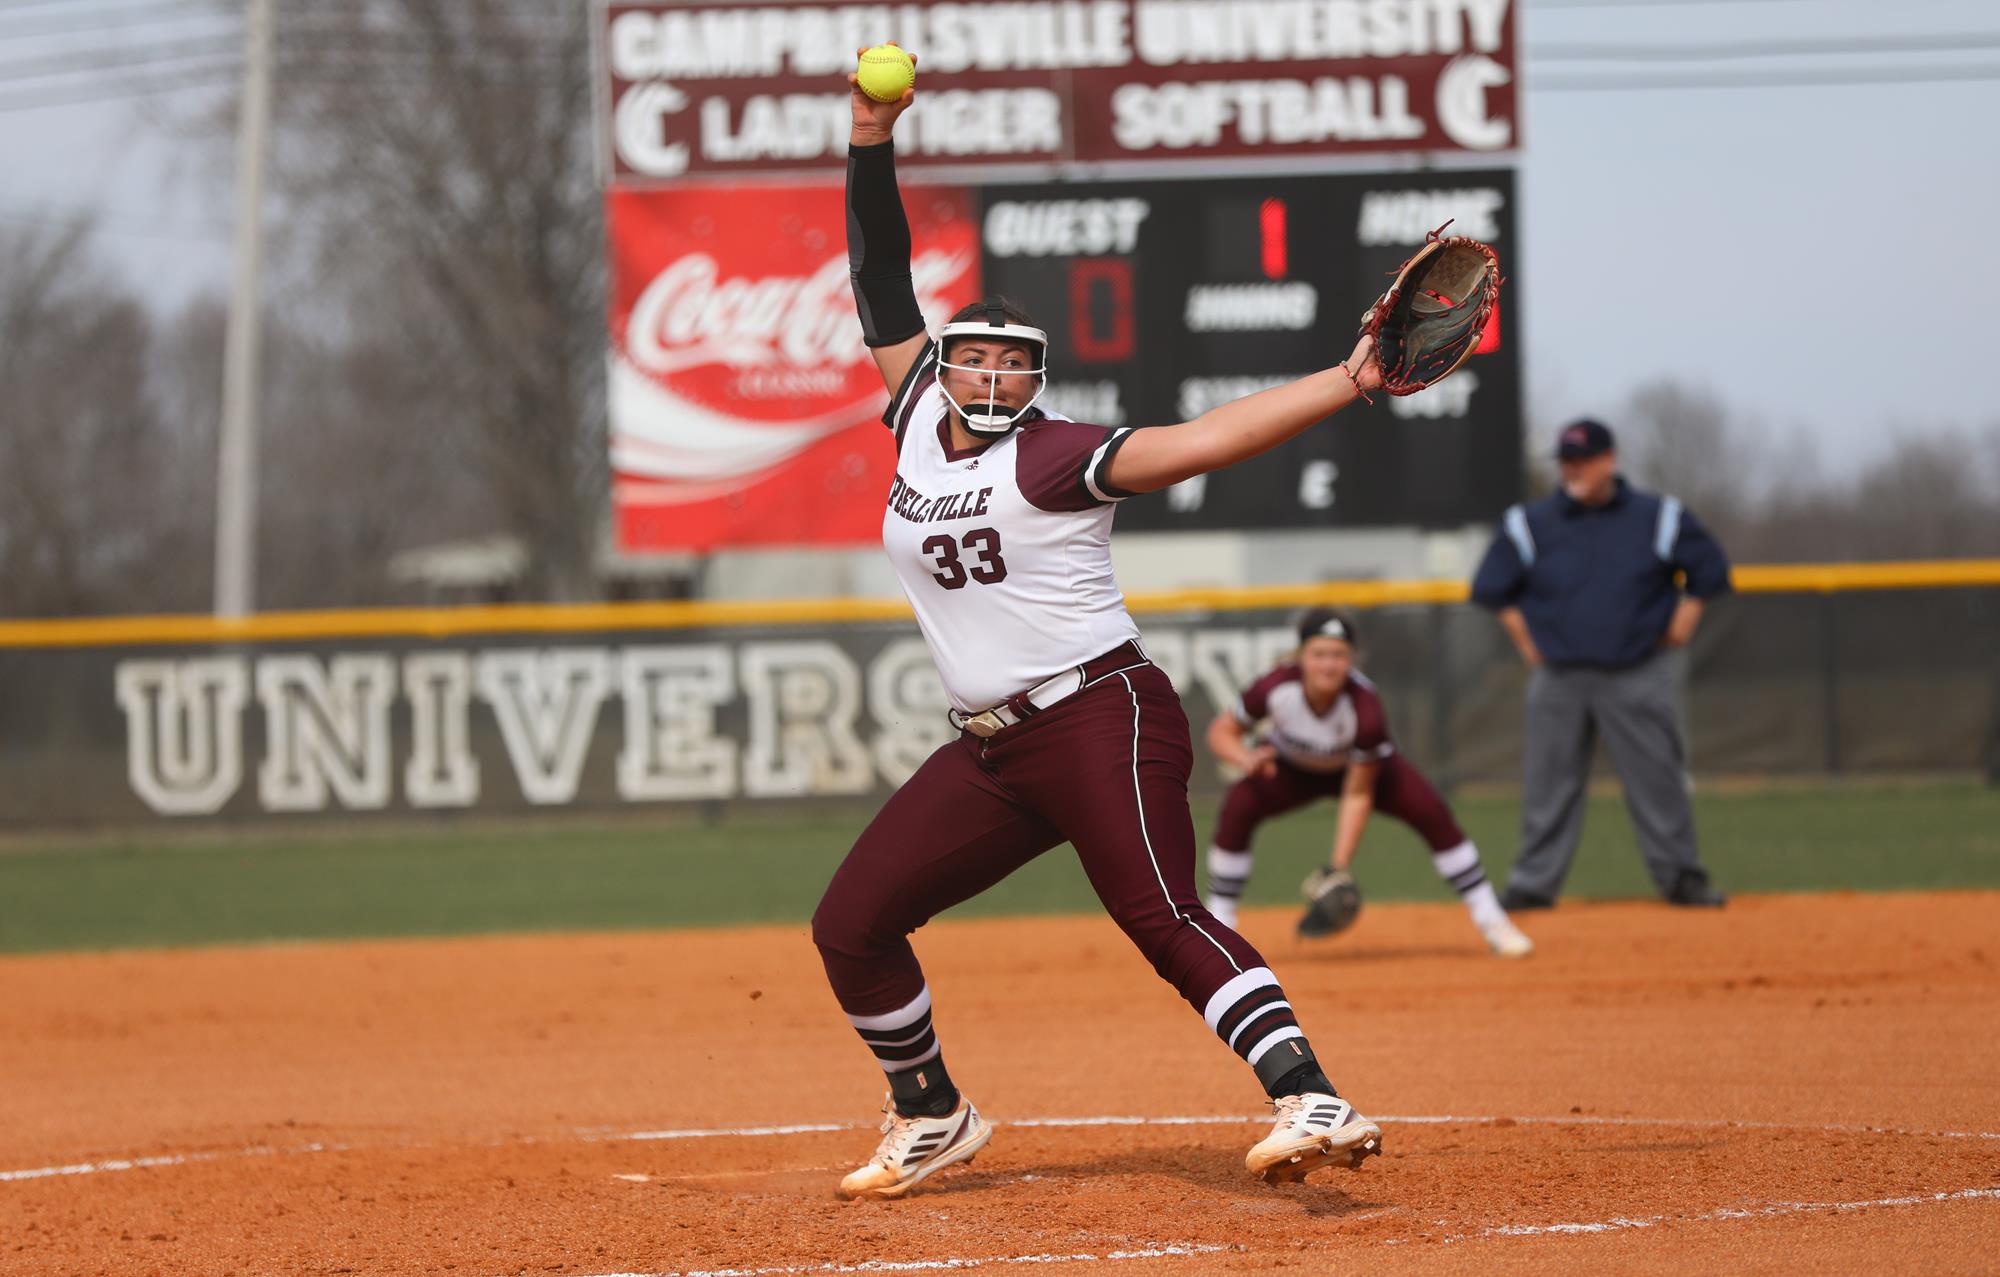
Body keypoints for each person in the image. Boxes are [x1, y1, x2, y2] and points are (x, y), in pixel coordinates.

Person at [813, 50, 1395, 1199]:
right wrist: (868, 134)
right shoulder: (917, 415)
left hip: (1097, 715)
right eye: (969, 352)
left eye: (1009, 359)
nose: (983, 370)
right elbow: (880, 275)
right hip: (989, 745)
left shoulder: (1060, 451)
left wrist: (1349, 377)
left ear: (1036, 374)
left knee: (1162, 916)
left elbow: (1210, 437)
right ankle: (930, 1110)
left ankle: (1309, 1094)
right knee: (851, 924)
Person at [1469, 418, 1733, 911]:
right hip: (1560, 675)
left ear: (1608, 460)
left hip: (1637, 668)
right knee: (1548, 785)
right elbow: (1492, 588)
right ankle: (1533, 884)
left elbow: (1709, 570)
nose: (1572, 470)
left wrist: (1683, 624)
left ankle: (1681, 877)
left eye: (1582, 461)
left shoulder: (1659, 516)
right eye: (1566, 461)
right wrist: (1527, 644)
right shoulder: (1530, 523)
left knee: (1658, 780)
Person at [1202, 608, 1534, 959]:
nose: (1328, 665)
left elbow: (1357, 793)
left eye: (1339, 655)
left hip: (1363, 772)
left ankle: (1492, 919)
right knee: (1240, 805)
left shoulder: (1365, 708)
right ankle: (1219, 926)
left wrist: (1337, 866)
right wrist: (1245, 759)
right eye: (1319, 654)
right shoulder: (1275, 687)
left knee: (1431, 812)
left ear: (1353, 660)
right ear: (1301, 656)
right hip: (1291, 769)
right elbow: (1221, 731)